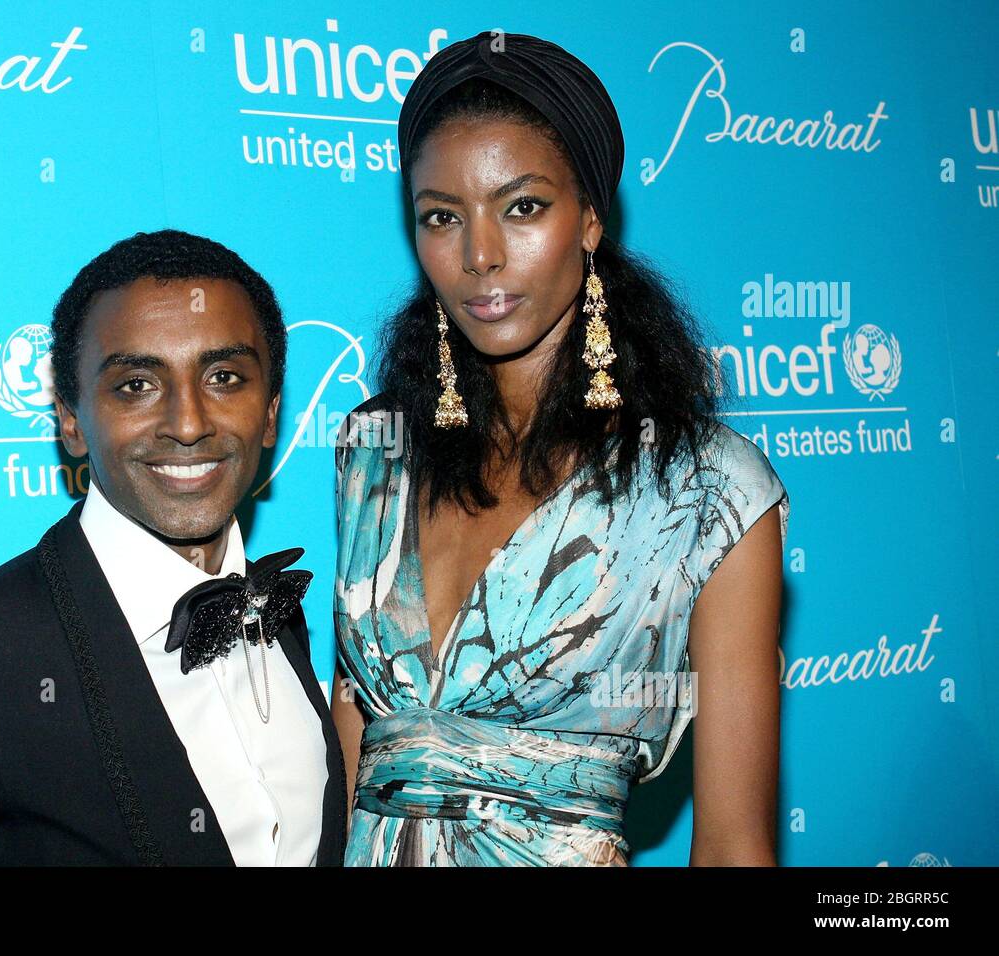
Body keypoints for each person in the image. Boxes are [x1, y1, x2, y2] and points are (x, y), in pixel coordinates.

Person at [331, 32, 789, 866]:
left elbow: (733, 843)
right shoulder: (375, 452)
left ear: (589, 219)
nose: (480, 256)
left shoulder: (708, 490)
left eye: (523, 207)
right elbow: (351, 753)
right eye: (442, 217)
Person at [0, 229, 347, 866]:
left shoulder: (281, 617)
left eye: (224, 377)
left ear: (272, 411)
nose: (190, 422)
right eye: (136, 385)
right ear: (69, 418)